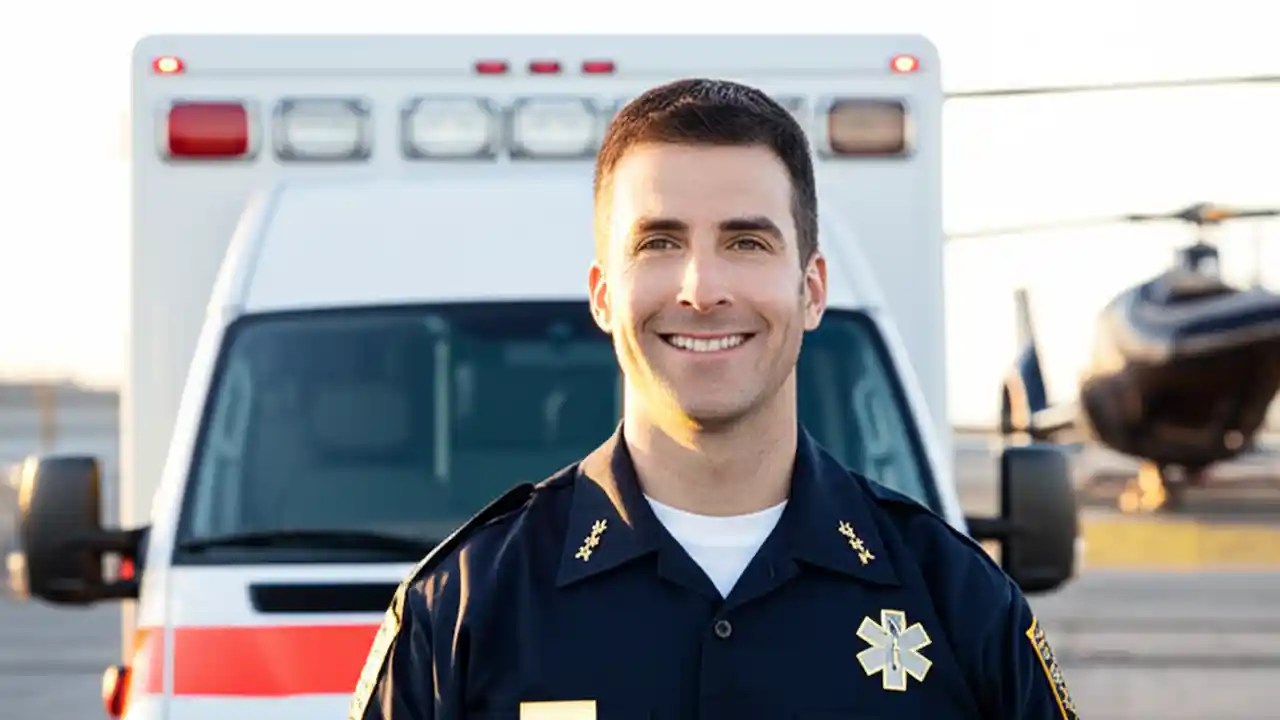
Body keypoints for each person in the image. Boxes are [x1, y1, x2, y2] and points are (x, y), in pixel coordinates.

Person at [348, 77, 1079, 720]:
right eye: (660, 243)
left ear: (812, 288)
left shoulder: (958, 603)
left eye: (747, 243)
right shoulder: (464, 611)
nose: (702, 289)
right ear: (603, 295)